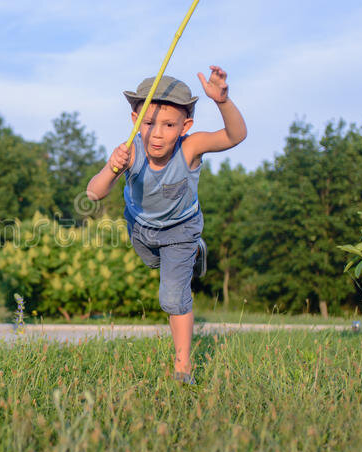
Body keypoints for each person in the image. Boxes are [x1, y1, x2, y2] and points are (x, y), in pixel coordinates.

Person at [86, 66, 246, 384]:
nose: (157, 133)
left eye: (169, 125)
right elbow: (93, 193)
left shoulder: (190, 147)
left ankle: (182, 368)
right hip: (141, 228)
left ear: (184, 125)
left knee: (172, 296)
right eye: (149, 123)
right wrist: (112, 168)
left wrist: (223, 101)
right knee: (154, 265)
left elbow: (235, 136)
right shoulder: (129, 152)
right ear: (135, 121)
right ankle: (187, 262)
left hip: (181, 230)